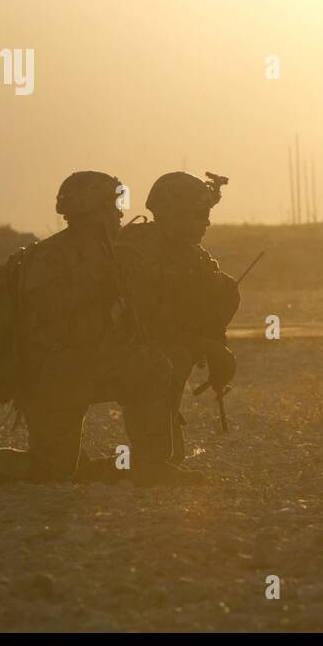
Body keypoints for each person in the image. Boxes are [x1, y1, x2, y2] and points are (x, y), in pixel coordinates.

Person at [0, 171, 202, 487]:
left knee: (150, 367)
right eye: (113, 206)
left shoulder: (96, 252)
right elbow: (54, 327)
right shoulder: (58, 258)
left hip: (67, 371)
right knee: (53, 466)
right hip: (52, 376)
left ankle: (147, 465)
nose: (120, 214)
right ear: (94, 211)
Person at [116, 171, 240, 463]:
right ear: (173, 215)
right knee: (169, 358)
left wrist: (213, 342)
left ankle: (154, 451)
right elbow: (144, 326)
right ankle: (148, 459)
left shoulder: (190, 255)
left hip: (157, 355)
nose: (206, 223)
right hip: (111, 357)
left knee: (176, 356)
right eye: (198, 215)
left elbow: (210, 304)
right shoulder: (138, 254)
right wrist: (207, 347)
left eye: (206, 214)